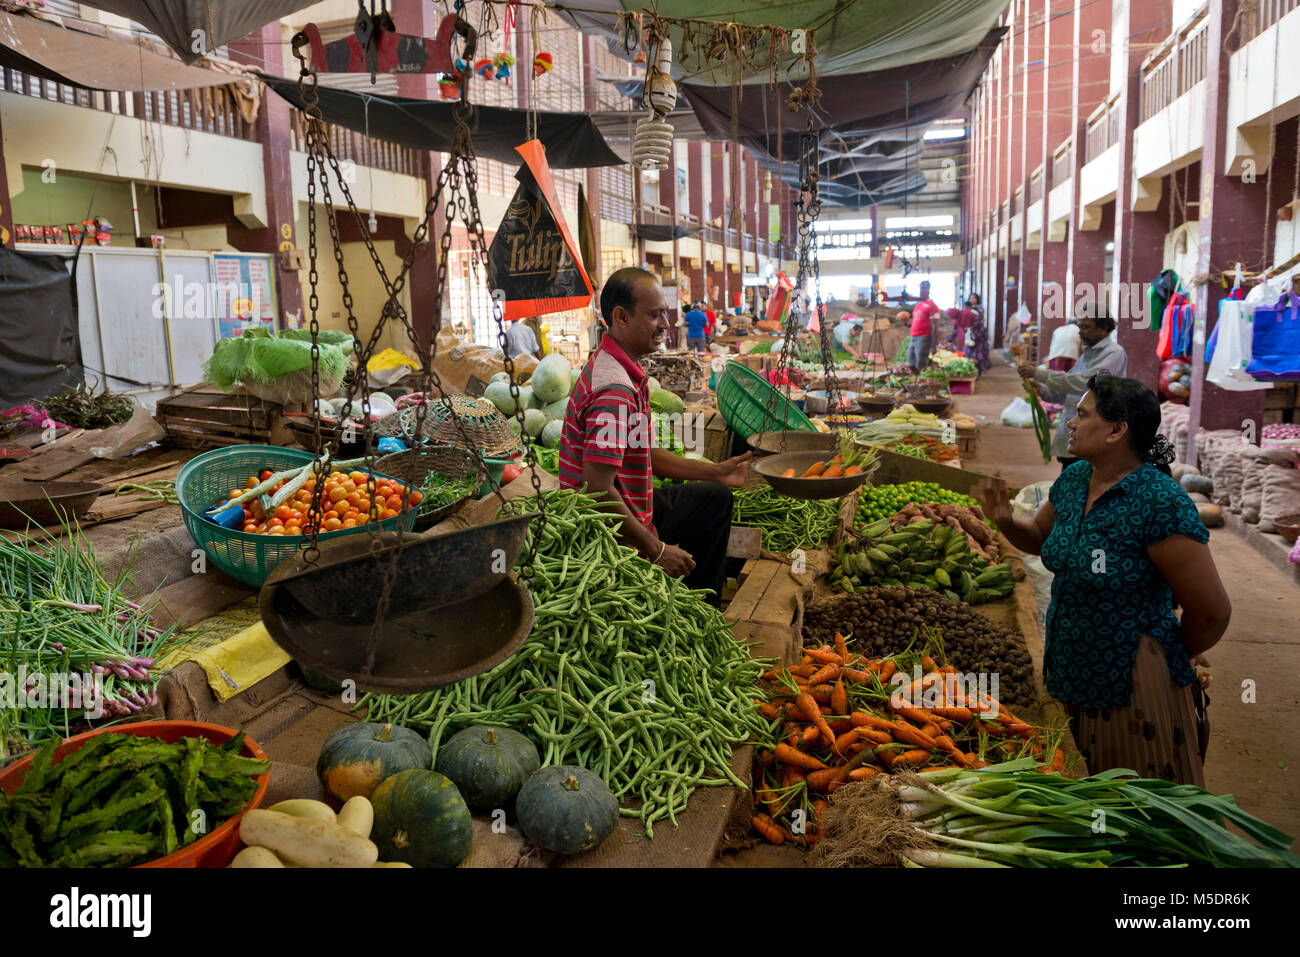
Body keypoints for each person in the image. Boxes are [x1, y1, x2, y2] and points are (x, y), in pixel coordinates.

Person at [973, 373, 1228, 785]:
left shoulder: (1159, 503)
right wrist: (1003, 520)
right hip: (1070, 667)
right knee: (1076, 783)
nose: (1071, 424)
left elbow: (1213, 612)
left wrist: (1172, 653)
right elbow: (1041, 538)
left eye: (1082, 414)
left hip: (1132, 684)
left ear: (1116, 430)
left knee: (1129, 799)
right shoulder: (1075, 480)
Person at [558, 268, 752, 606]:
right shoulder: (614, 391)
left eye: (664, 313)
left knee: (714, 497)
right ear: (621, 317)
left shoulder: (624, 369)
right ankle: (695, 617)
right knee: (702, 517)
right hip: (606, 530)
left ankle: (699, 605)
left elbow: (643, 454)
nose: (664, 323)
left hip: (632, 502)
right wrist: (656, 547)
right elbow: (594, 489)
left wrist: (716, 471)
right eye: (654, 315)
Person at [1018, 309, 1127, 469]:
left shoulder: (1114, 353)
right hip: (1075, 434)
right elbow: (1068, 392)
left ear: (1103, 328)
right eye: (1079, 327)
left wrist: (1039, 373)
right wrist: (1041, 389)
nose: (1080, 332)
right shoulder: (1086, 355)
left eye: (1086, 327)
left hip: (1093, 436)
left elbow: (1085, 383)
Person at [907, 280, 939, 371]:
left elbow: (934, 326)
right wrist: (907, 324)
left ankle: (922, 383)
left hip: (924, 338)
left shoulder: (933, 306)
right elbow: (916, 321)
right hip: (913, 337)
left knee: (920, 364)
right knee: (911, 362)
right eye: (921, 288)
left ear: (929, 289)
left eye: (925, 288)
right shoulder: (918, 304)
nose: (922, 290)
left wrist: (933, 346)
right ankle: (915, 383)